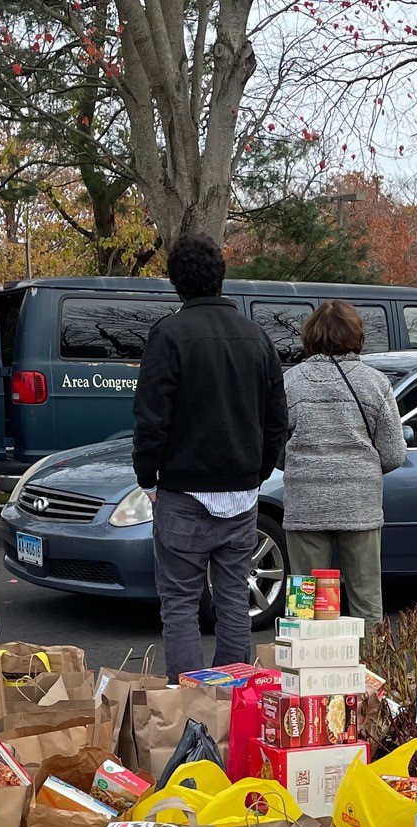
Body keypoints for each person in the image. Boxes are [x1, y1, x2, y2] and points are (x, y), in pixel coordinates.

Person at [132, 232, 288, 678]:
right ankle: (234, 702)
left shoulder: (168, 335)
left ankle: (188, 710)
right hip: (241, 494)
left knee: (180, 603)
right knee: (234, 597)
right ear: (221, 276)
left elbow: (151, 419)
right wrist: (255, 474)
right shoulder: (256, 338)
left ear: (175, 282)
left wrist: (148, 478)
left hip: (182, 491)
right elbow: (277, 421)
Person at [281, 300, 406, 627]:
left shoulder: (291, 382)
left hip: (306, 507)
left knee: (308, 606)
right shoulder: (376, 383)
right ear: (356, 335)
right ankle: (369, 672)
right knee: (366, 601)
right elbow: (393, 453)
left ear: (310, 336)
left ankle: (309, 674)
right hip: (360, 507)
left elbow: (274, 448)